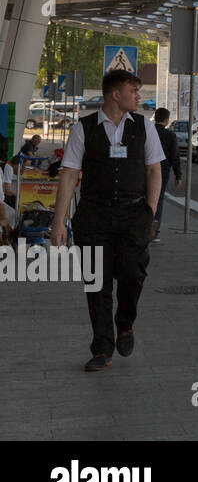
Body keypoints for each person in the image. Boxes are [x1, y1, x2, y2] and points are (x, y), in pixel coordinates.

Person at [52, 69, 165, 372]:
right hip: (93, 216)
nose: (138, 97)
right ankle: (102, 347)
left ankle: (124, 323)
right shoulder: (83, 128)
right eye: (134, 91)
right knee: (96, 284)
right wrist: (58, 221)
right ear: (117, 94)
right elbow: (69, 175)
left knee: (133, 273)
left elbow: (155, 170)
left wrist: (150, 211)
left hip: (133, 215)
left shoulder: (144, 127)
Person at [151, 108, 182, 242]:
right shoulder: (170, 135)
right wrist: (178, 175)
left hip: (145, 171)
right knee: (158, 200)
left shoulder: (148, 132)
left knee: (145, 199)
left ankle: (144, 229)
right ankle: (155, 232)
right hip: (162, 172)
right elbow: (175, 156)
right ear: (166, 120)